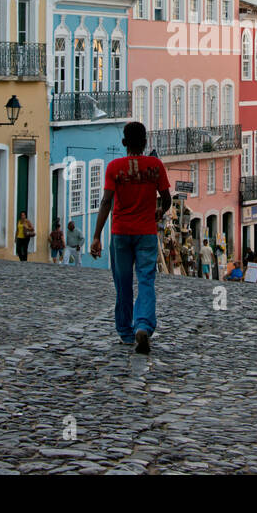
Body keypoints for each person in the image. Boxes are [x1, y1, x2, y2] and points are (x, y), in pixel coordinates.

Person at [91, 122, 172, 355]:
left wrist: (96, 236)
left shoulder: (114, 167)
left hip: (120, 233)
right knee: (146, 280)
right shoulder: (155, 166)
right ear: (145, 142)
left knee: (123, 284)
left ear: (124, 143)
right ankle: (144, 325)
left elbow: (106, 202)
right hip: (146, 233)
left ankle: (126, 332)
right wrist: (160, 211)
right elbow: (166, 198)